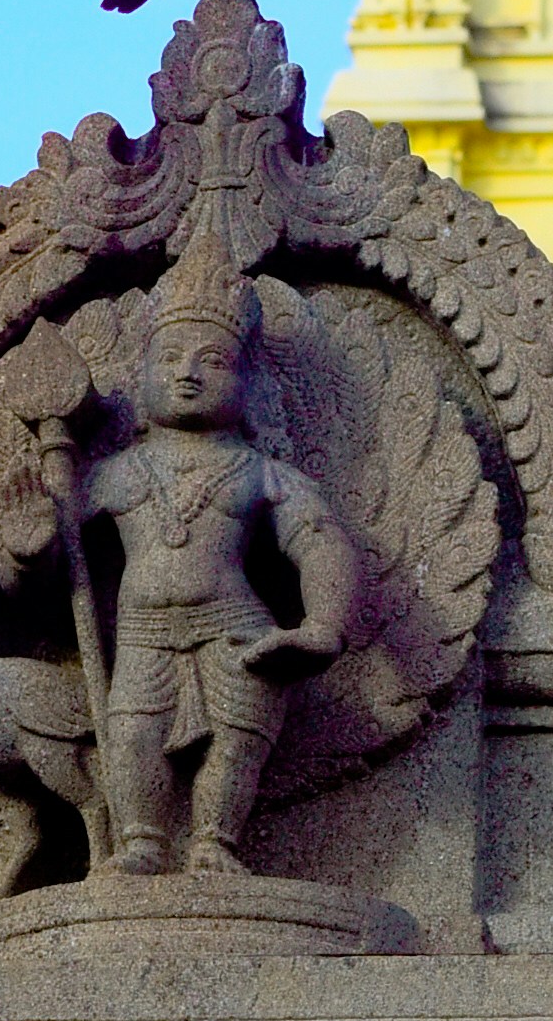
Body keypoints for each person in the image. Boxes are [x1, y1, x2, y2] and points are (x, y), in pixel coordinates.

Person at [82, 262, 362, 876]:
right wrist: (32, 539)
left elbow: (318, 541)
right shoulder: (118, 473)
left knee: (237, 741)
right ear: (142, 376)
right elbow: (58, 554)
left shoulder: (258, 473)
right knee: (132, 737)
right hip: (144, 636)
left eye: (212, 360)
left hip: (235, 630)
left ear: (248, 383)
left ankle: (214, 841)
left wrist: (321, 626)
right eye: (170, 359)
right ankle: (143, 841)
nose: (187, 372)